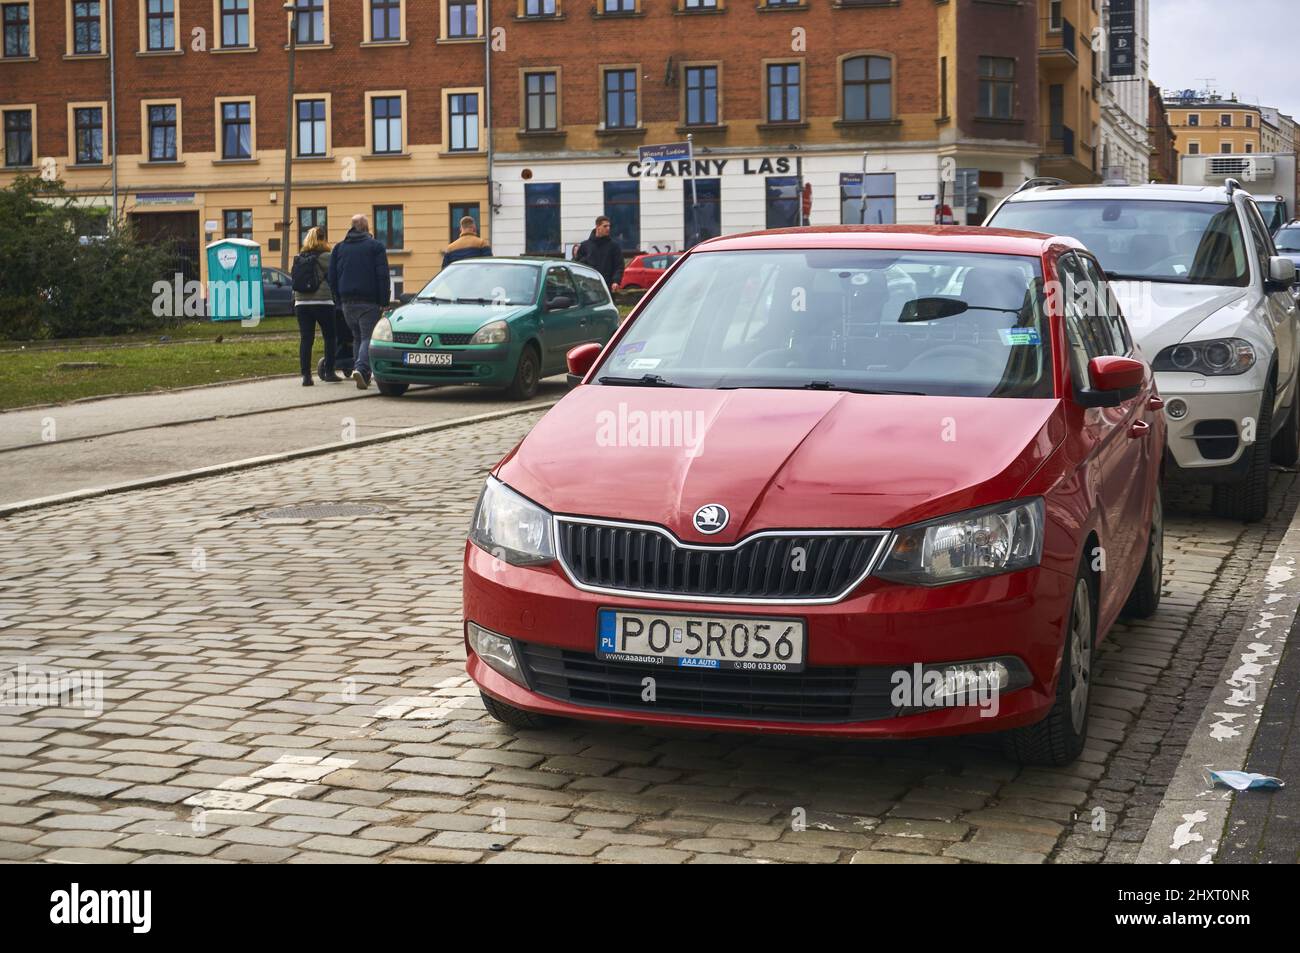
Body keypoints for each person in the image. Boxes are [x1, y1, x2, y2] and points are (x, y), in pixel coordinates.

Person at [327, 213, 391, 389]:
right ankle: (361, 369)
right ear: (367, 227)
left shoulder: (339, 248)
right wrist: (384, 300)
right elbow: (382, 276)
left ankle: (361, 372)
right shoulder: (375, 247)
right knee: (367, 337)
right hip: (368, 301)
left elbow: (331, 277)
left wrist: (338, 298)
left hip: (347, 301)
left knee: (357, 337)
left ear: (352, 227)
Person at [291, 227, 338, 386]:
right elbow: (334, 277)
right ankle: (329, 371)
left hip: (301, 303)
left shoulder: (298, 257)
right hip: (323, 301)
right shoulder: (327, 257)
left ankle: (306, 376)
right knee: (330, 336)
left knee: (306, 339)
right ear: (323, 239)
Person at [576, 216, 624, 292]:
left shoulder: (614, 246)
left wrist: (616, 281)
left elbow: (619, 266)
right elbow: (578, 265)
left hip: (607, 286)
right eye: (605, 226)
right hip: (588, 287)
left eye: (609, 226)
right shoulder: (585, 245)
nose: (608, 228)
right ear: (597, 227)